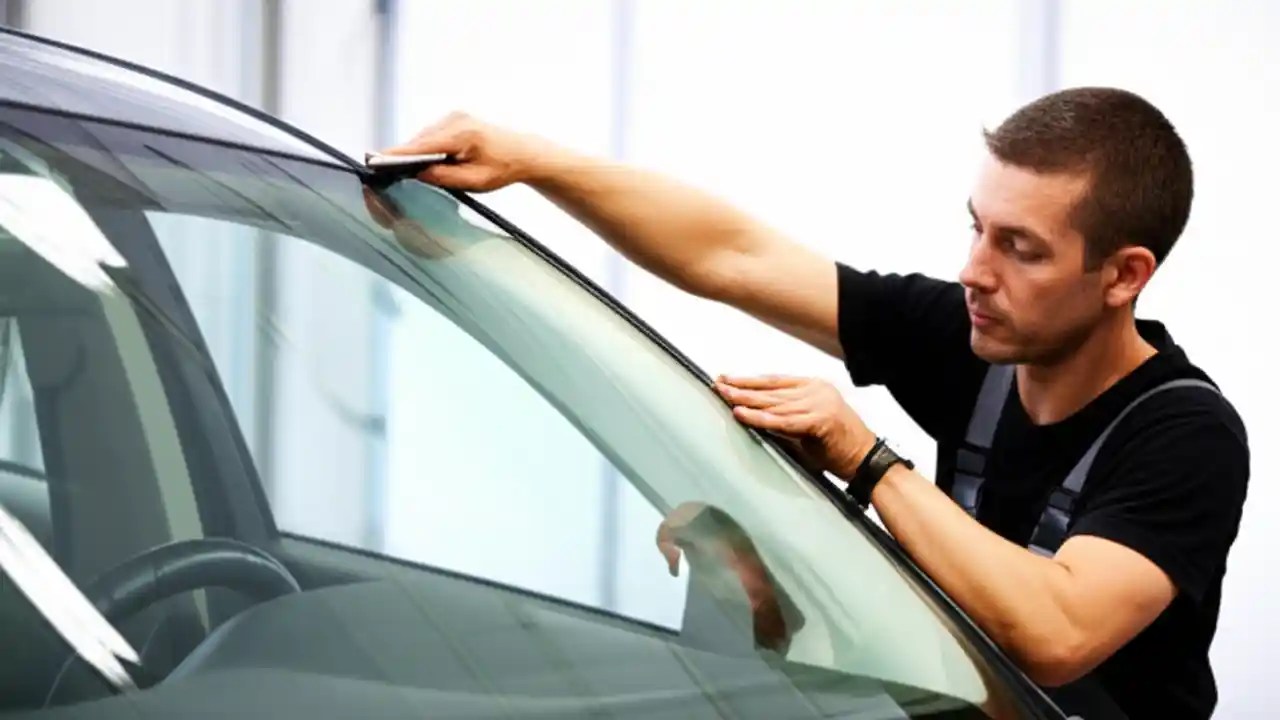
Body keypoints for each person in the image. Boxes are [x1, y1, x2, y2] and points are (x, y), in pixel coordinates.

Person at [378, 87, 1250, 718]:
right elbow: (735, 257)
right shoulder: (971, 334)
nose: (974, 272)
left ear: (1124, 275)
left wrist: (867, 463)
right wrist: (533, 162)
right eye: (976, 227)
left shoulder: (1185, 435)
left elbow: (1056, 634)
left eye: (1021, 248)